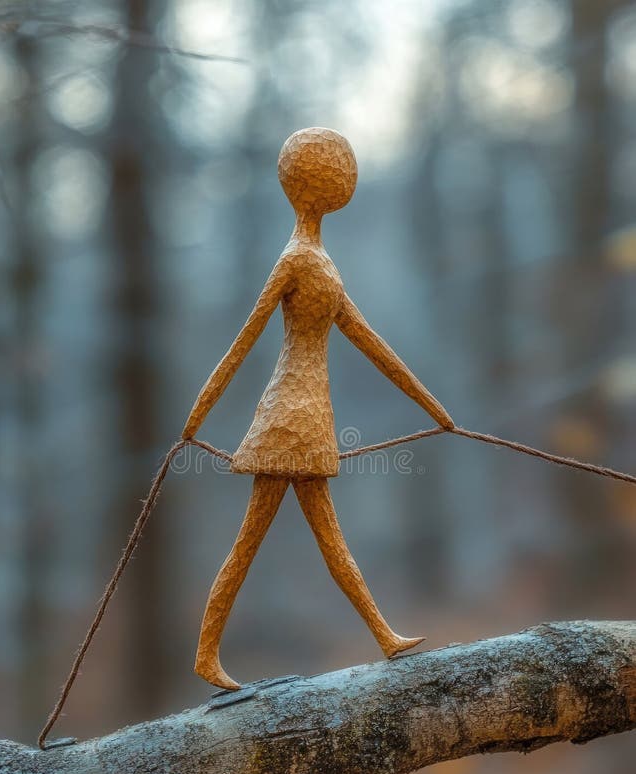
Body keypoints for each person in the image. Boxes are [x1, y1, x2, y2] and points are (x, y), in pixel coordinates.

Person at [183, 127, 454, 690]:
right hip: (286, 417)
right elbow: (244, 339)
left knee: (323, 541)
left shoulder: (322, 263)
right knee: (254, 543)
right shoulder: (295, 260)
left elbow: (370, 341)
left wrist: (433, 408)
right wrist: (196, 418)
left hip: (310, 419)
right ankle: (208, 654)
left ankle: (383, 635)